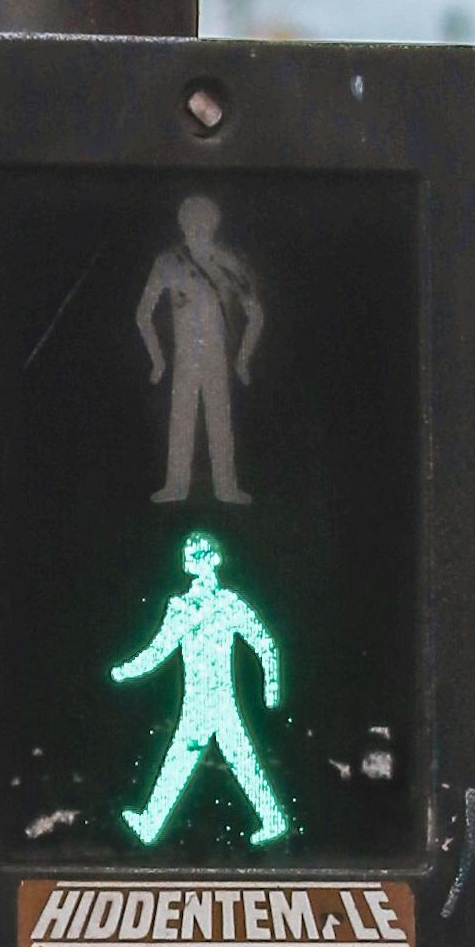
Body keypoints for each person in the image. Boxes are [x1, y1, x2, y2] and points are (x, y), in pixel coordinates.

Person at [114, 527, 293, 849]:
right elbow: (266, 646)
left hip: (208, 703)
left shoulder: (204, 606)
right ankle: (272, 819)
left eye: (195, 556)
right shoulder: (203, 606)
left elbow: (158, 651)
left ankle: (151, 824)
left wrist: (273, 689)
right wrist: (272, 690)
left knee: (198, 761)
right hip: (209, 701)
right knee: (228, 760)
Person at [134, 190, 263, 505]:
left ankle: (225, 487)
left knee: (219, 419)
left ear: (214, 223)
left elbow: (256, 314)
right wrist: (158, 360)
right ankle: (178, 486)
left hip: (216, 354)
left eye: (203, 221)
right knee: (183, 419)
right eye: (193, 221)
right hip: (185, 356)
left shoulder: (229, 262)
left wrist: (244, 360)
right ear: (182, 223)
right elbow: (142, 314)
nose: (198, 227)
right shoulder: (168, 262)